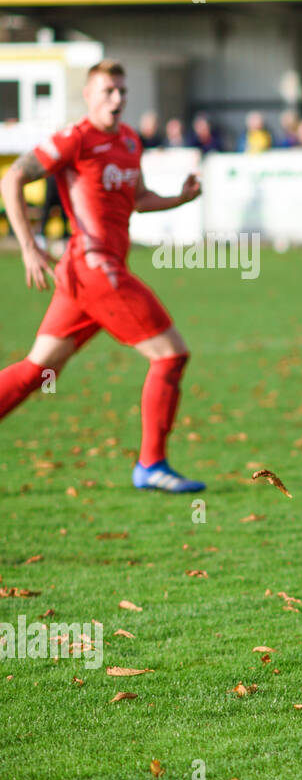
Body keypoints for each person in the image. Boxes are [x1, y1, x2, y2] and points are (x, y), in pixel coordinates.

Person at [0, 60, 206, 492]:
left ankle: (151, 465)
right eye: (108, 91)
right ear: (89, 95)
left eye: (122, 91)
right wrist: (29, 245)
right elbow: (14, 177)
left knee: (39, 370)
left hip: (91, 274)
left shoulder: (130, 140)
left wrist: (180, 199)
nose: (117, 99)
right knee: (170, 354)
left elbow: (139, 198)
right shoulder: (75, 138)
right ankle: (151, 465)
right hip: (95, 268)